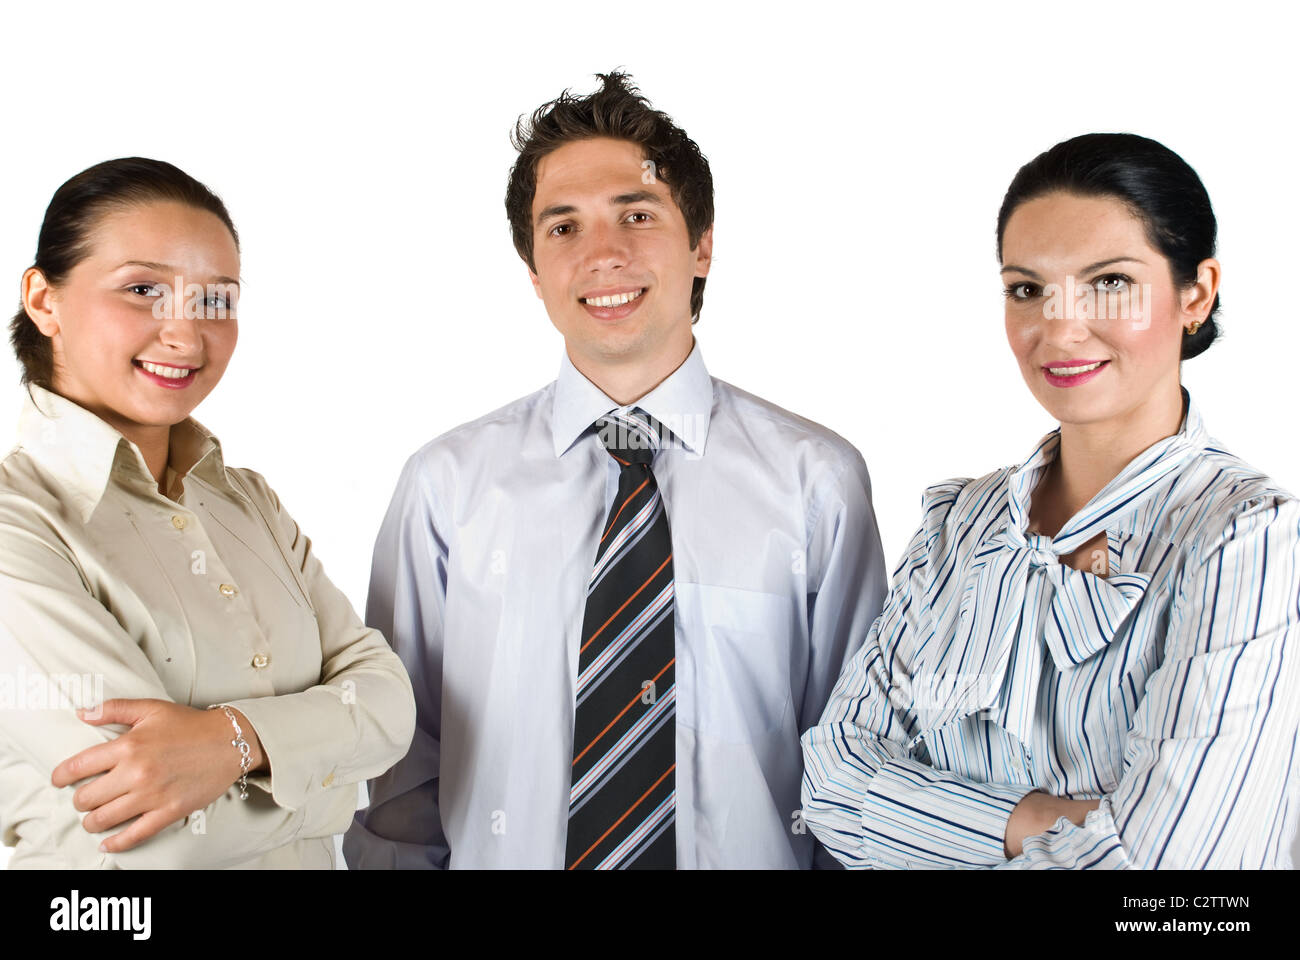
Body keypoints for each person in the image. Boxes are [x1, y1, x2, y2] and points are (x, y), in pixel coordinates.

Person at [343, 71, 887, 869]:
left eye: (637, 214)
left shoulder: (818, 482)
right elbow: (398, 762)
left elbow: (855, 762)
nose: (603, 253)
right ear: (534, 270)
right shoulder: (446, 487)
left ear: (701, 245)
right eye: (563, 228)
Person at [801, 132, 1300, 869]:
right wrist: (1058, 821)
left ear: (1195, 294)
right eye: (1027, 289)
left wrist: (924, 818)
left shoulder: (1250, 539)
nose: (1060, 329)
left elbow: (1170, 887)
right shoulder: (959, 524)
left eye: (1110, 282)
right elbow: (832, 786)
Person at [0, 157, 416, 868]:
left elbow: (389, 703)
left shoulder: (246, 501)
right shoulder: (21, 526)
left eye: (216, 301)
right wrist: (338, 786)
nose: (186, 334)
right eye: (141, 289)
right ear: (44, 300)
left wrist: (230, 742)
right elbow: (151, 834)